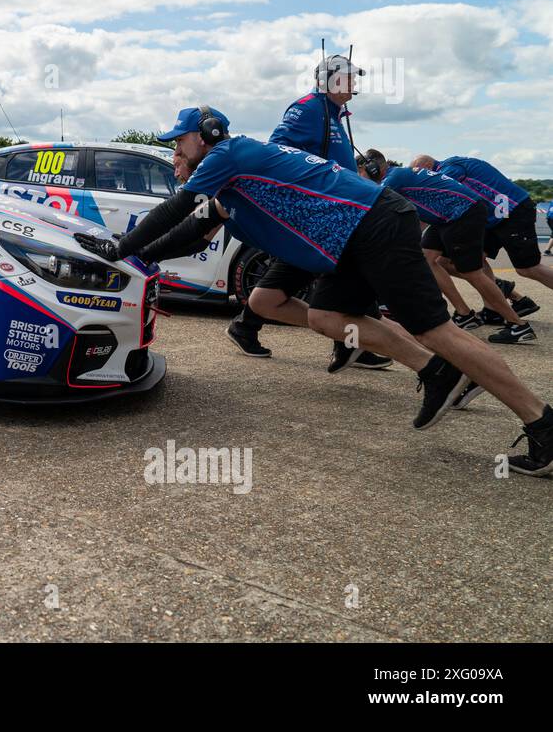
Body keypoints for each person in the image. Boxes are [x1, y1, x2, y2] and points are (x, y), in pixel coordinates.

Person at [103, 106, 553, 476]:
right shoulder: (231, 181)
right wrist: (137, 258)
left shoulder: (228, 153)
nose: (174, 150)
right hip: (350, 240)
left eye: (177, 142)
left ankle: (541, 422)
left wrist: (122, 248)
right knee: (326, 318)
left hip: (373, 224)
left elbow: (179, 207)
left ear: (204, 137)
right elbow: (191, 229)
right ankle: (438, 373)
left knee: (436, 330)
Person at [225, 50, 391, 372]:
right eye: (347, 78)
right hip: (317, 212)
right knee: (348, 270)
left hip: (333, 213)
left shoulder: (334, 115)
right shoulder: (308, 109)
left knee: (327, 272)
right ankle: (352, 345)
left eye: (354, 78)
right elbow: (277, 149)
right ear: (327, 80)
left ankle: (248, 326)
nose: (353, 84)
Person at [361, 149, 533, 344]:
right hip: (449, 216)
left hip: (462, 213)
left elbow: (371, 206)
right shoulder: (401, 175)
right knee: (427, 258)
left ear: (372, 169)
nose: (360, 178)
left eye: (360, 173)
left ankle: (518, 325)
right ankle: (464, 314)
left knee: (471, 272)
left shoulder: (394, 177)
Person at [411, 154, 553, 306]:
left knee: (528, 268)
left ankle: (499, 296)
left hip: (512, 211)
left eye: (418, 172)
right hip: (493, 217)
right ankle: (495, 302)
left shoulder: (448, 168)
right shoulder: (450, 166)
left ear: (426, 167)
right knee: (464, 262)